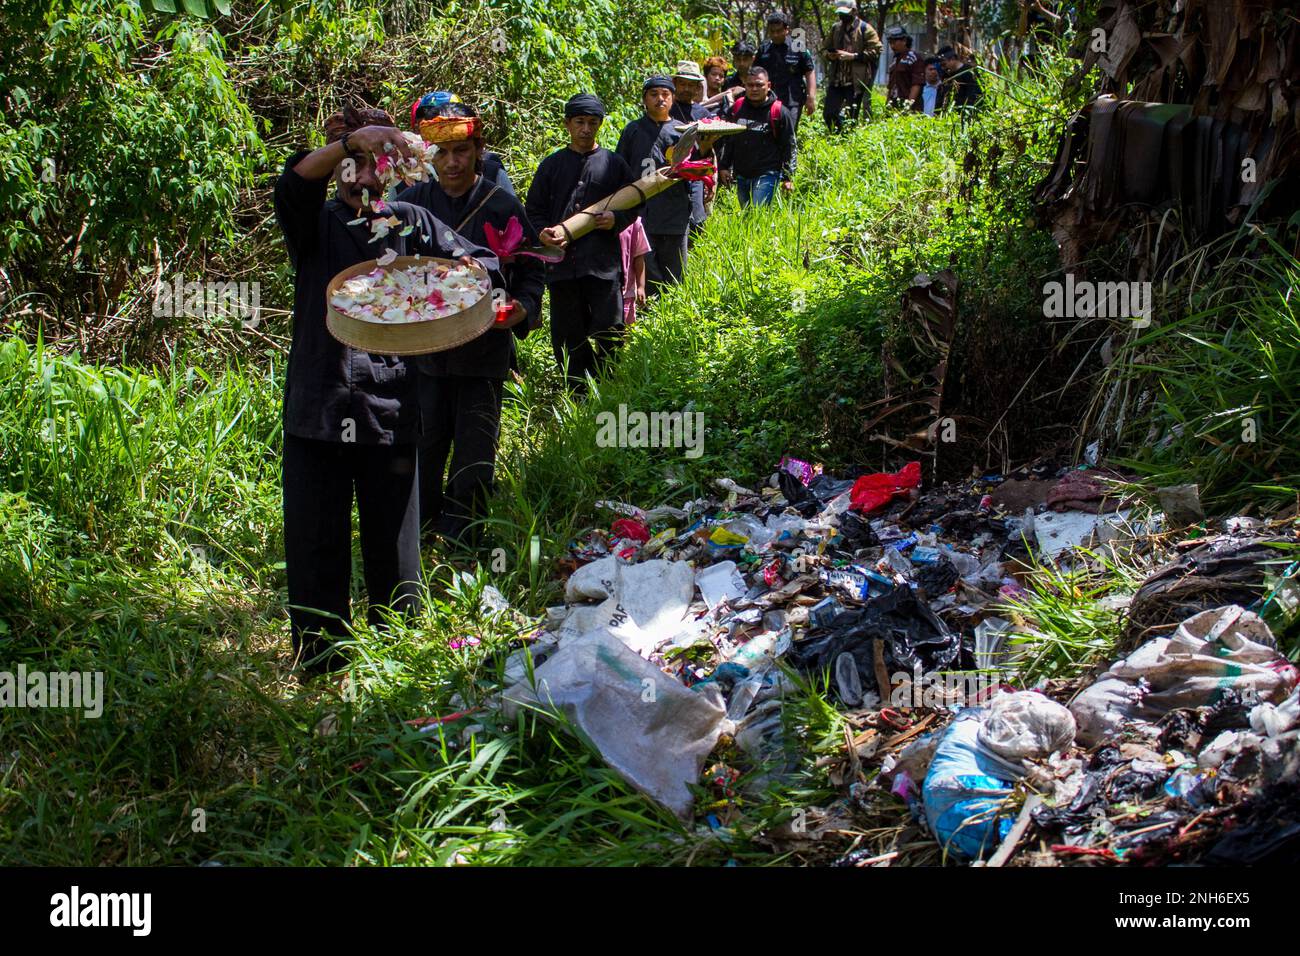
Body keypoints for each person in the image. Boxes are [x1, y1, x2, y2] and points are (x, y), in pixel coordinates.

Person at [274, 106, 474, 675]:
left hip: (391, 405)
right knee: (316, 545)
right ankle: (321, 663)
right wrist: (349, 144)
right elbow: (293, 184)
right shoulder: (315, 220)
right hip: (320, 403)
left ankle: (400, 658)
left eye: (375, 162)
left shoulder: (412, 221)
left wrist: (495, 303)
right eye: (351, 162)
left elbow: (474, 268)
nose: (363, 175)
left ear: (391, 169)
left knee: (396, 550)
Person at [398, 102, 545, 548]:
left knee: (475, 446)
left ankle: (467, 536)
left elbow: (532, 266)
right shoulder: (411, 203)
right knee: (425, 442)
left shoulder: (499, 203)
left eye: (460, 151)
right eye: (441, 154)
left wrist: (522, 306)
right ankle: (420, 532)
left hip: (483, 347)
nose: (452, 163)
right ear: (429, 158)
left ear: (478, 152)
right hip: (426, 350)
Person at [524, 94, 636, 391]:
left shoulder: (614, 163)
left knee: (609, 328)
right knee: (567, 333)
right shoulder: (551, 165)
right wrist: (543, 233)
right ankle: (577, 393)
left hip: (601, 263)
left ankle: (610, 386)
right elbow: (533, 210)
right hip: (562, 265)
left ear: (600, 124)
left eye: (592, 123)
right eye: (580, 122)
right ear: (568, 124)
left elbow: (637, 202)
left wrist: (617, 219)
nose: (586, 129)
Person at [615, 76, 694, 293]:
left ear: (673, 98)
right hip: (641, 211)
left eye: (665, 94)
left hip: (674, 210)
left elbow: (694, 170)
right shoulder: (632, 130)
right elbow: (619, 169)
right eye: (654, 94)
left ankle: (675, 313)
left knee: (675, 271)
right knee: (646, 266)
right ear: (644, 99)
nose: (660, 99)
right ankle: (649, 312)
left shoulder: (682, 131)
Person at [410, 91, 517, 197]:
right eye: (441, 151)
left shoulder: (492, 171)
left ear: (478, 148)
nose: (451, 163)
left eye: (461, 150)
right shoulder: (413, 176)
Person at [716, 67, 796, 208]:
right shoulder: (737, 109)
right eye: (750, 85)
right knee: (746, 216)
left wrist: (788, 177)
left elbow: (789, 145)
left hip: (768, 173)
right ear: (745, 86)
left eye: (759, 85)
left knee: (758, 214)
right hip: (741, 174)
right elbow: (728, 140)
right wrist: (724, 167)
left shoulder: (779, 112)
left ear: (768, 86)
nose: (754, 89)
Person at [823, 1, 882, 131]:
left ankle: (847, 142)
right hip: (837, 80)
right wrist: (829, 55)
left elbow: (877, 50)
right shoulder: (835, 28)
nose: (842, 16)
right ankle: (837, 136)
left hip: (855, 82)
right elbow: (825, 49)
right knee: (828, 114)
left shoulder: (865, 29)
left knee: (852, 118)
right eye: (840, 13)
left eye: (845, 13)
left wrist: (853, 56)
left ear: (854, 11)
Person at [670, 60, 711, 241]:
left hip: (695, 173)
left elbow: (710, 152)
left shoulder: (703, 114)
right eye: (683, 84)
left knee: (697, 219)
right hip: (669, 173)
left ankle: (694, 257)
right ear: (675, 84)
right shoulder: (666, 109)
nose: (686, 89)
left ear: (697, 88)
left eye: (691, 85)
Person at [755, 11, 816, 127]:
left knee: (789, 132)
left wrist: (811, 97)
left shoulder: (797, 47)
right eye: (772, 31)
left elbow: (809, 71)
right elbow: (755, 72)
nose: (775, 35)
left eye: (779, 31)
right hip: (768, 99)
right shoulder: (763, 49)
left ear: (786, 29)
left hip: (792, 100)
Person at [619, 216, 650, 325]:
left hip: (627, 291)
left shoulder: (634, 223)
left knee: (627, 329)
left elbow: (639, 256)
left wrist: (641, 287)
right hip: (603, 289)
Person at [884, 26, 924, 110]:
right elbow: (891, 87)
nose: (892, 46)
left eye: (894, 42)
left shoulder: (913, 58)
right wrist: (886, 106)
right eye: (890, 42)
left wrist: (908, 106)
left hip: (909, 106)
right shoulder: (895, 60)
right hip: (893, 105)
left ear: (904, 41)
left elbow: (916, 84)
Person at [938, 45, 984, 114]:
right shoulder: (946, 75)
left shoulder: (969, 72)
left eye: (944, 64)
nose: (943, 68)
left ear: (953, 59)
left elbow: (974, 96)